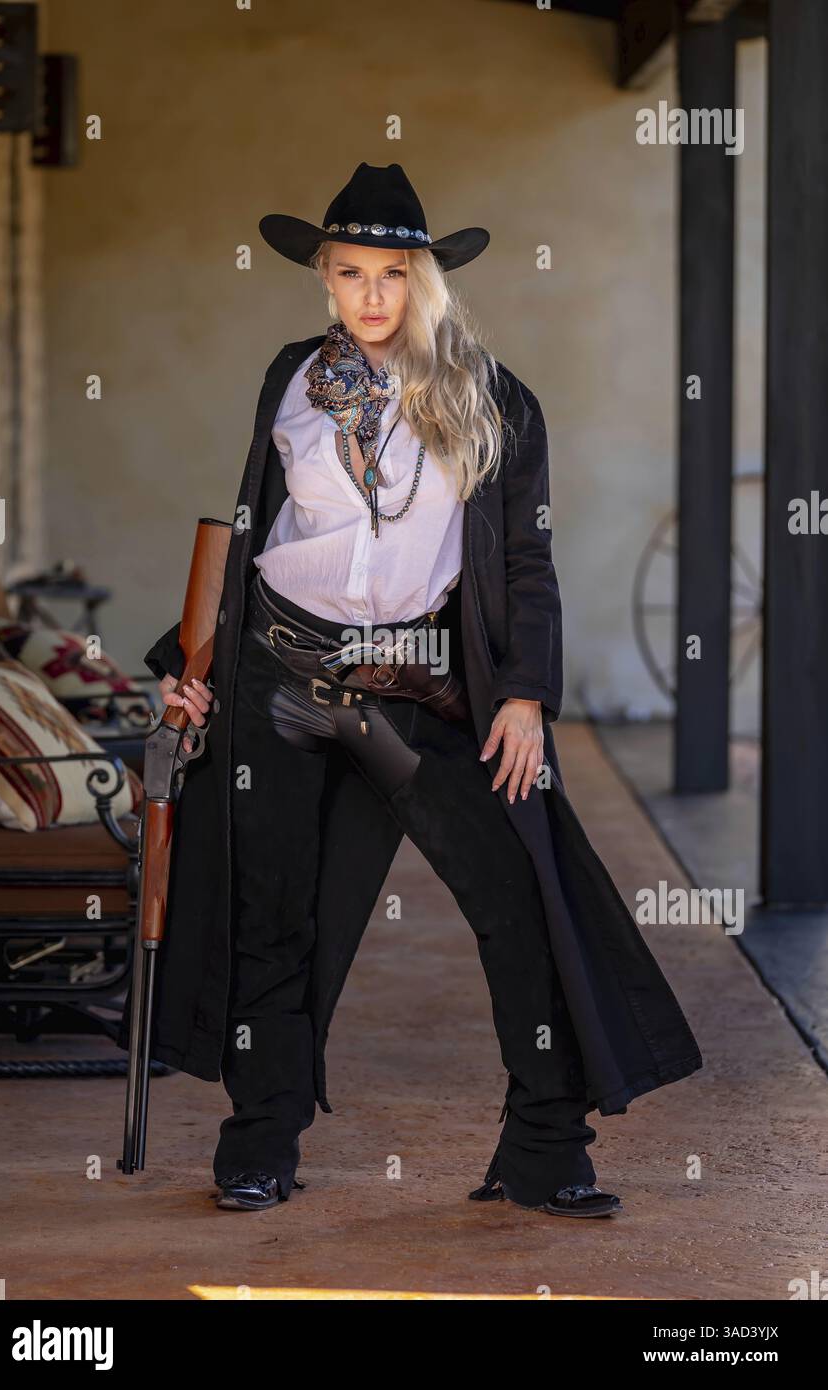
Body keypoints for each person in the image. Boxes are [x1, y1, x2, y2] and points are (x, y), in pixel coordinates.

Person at [136, 162, 703, 1219]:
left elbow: (526, 564)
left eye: (391, 272)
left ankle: (543, 1146)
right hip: (280, 680)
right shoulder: (289, 384)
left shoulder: (490, 397)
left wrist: (525, 691)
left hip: (424, 691)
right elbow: (257, 530)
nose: (370, 294)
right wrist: (190, 663)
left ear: (424, 277)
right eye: (348, 272)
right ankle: (260, 1143)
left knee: (518, 900)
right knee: (276, 916)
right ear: (325, 278)